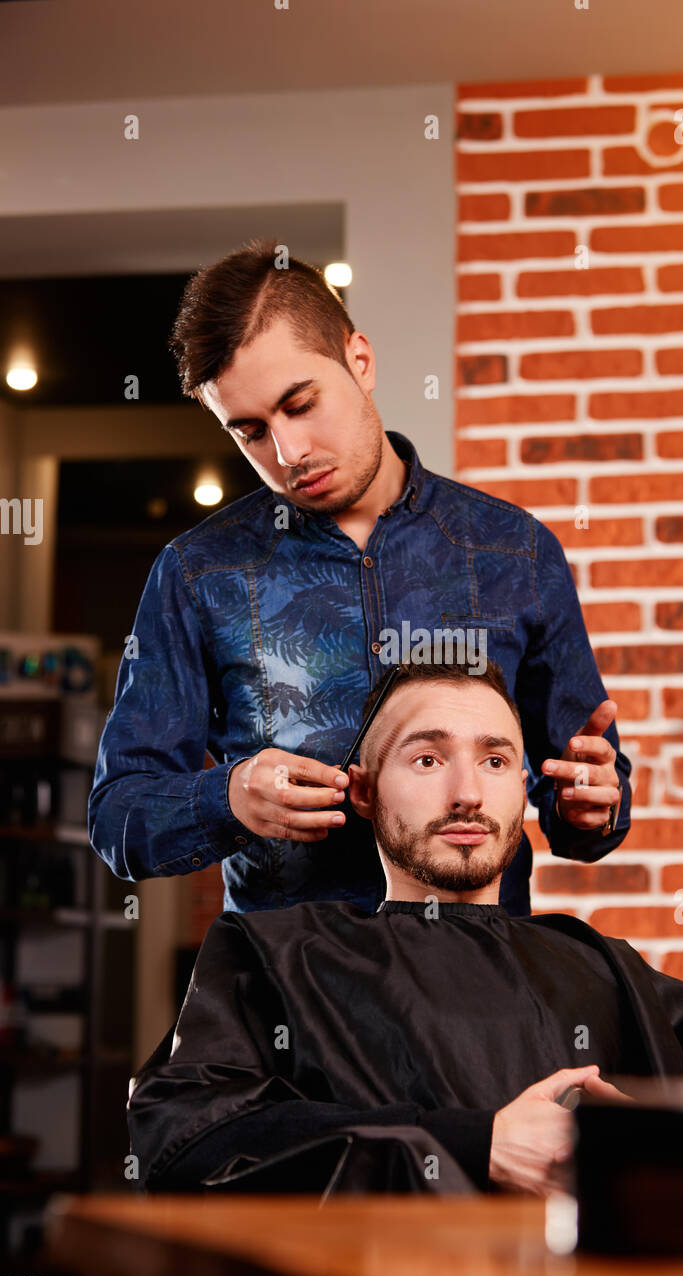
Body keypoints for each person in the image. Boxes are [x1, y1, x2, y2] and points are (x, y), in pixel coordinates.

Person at [127, 661, 683, 1199]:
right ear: (363, 791)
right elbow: (181, 1140)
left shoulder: (598, 965)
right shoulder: (274, 952)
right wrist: (472, 1143)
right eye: (428, 759)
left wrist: (652, 1139)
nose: (467, 793)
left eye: (494, 761)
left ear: (523, 787)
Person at [88, 240, 631, 919]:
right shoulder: (199, 574)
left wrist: (590, 806)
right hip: (286, 994)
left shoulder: (513, 551)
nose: (289, 453)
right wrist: (228, 797)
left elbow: (581, 798)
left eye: (300, 403)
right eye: (251, 431)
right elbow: (117, 821)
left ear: (360, 361)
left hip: (475, 988)